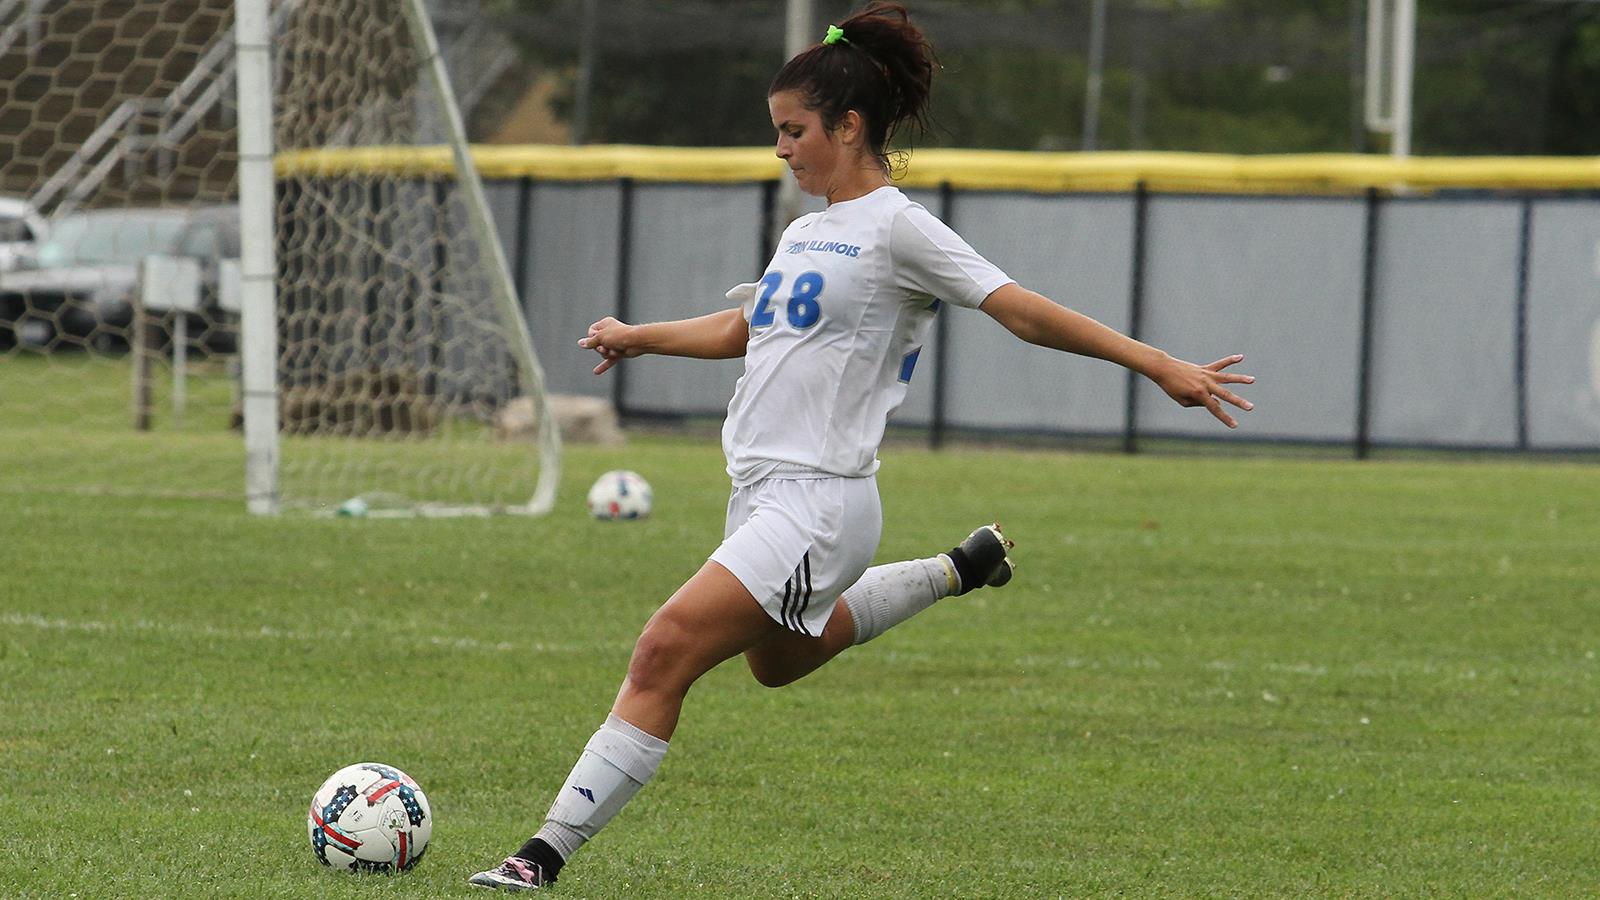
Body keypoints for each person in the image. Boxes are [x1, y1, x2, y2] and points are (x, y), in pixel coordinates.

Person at [469, 2, 1253, 891]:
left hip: (819, 500)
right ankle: (960, 568)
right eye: (777, 131)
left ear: (848, 127)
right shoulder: (807, 229)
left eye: (793, 130)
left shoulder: (899, 228)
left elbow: (1020, 309)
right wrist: (640, 335)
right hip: (764, 495)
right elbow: (750, 325)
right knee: (777, 663)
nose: (781, 148)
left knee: (662, 651)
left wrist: (1158, 365)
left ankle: (540, 856)